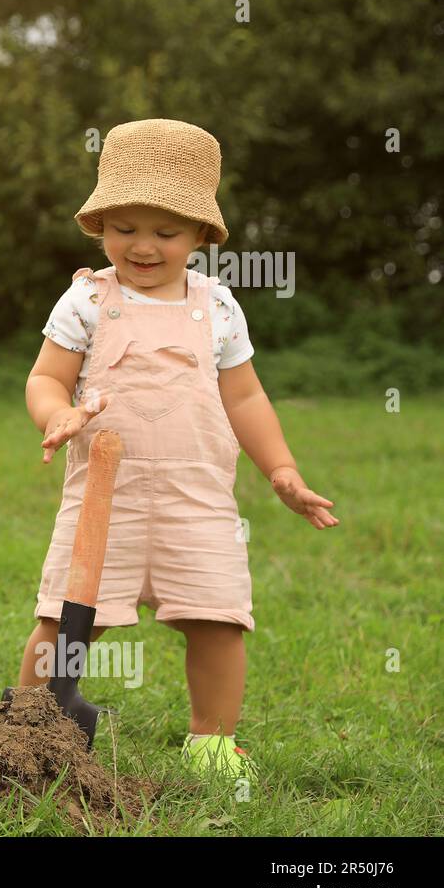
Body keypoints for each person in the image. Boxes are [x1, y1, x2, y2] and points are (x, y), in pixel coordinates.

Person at [19, 118, 339, 782]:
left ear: (200, 236)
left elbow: (245, 398)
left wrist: (281, 469)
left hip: (198, 501)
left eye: (165, 232)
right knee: (64, 622)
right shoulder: (87, 299)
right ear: (101, 221)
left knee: (219, 619)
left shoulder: (216, 306)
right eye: (124, 227)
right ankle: (27, 730)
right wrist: (58, 415)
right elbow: (46, 377)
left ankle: (212, 743)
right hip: (105, 502)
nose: (142, 246)